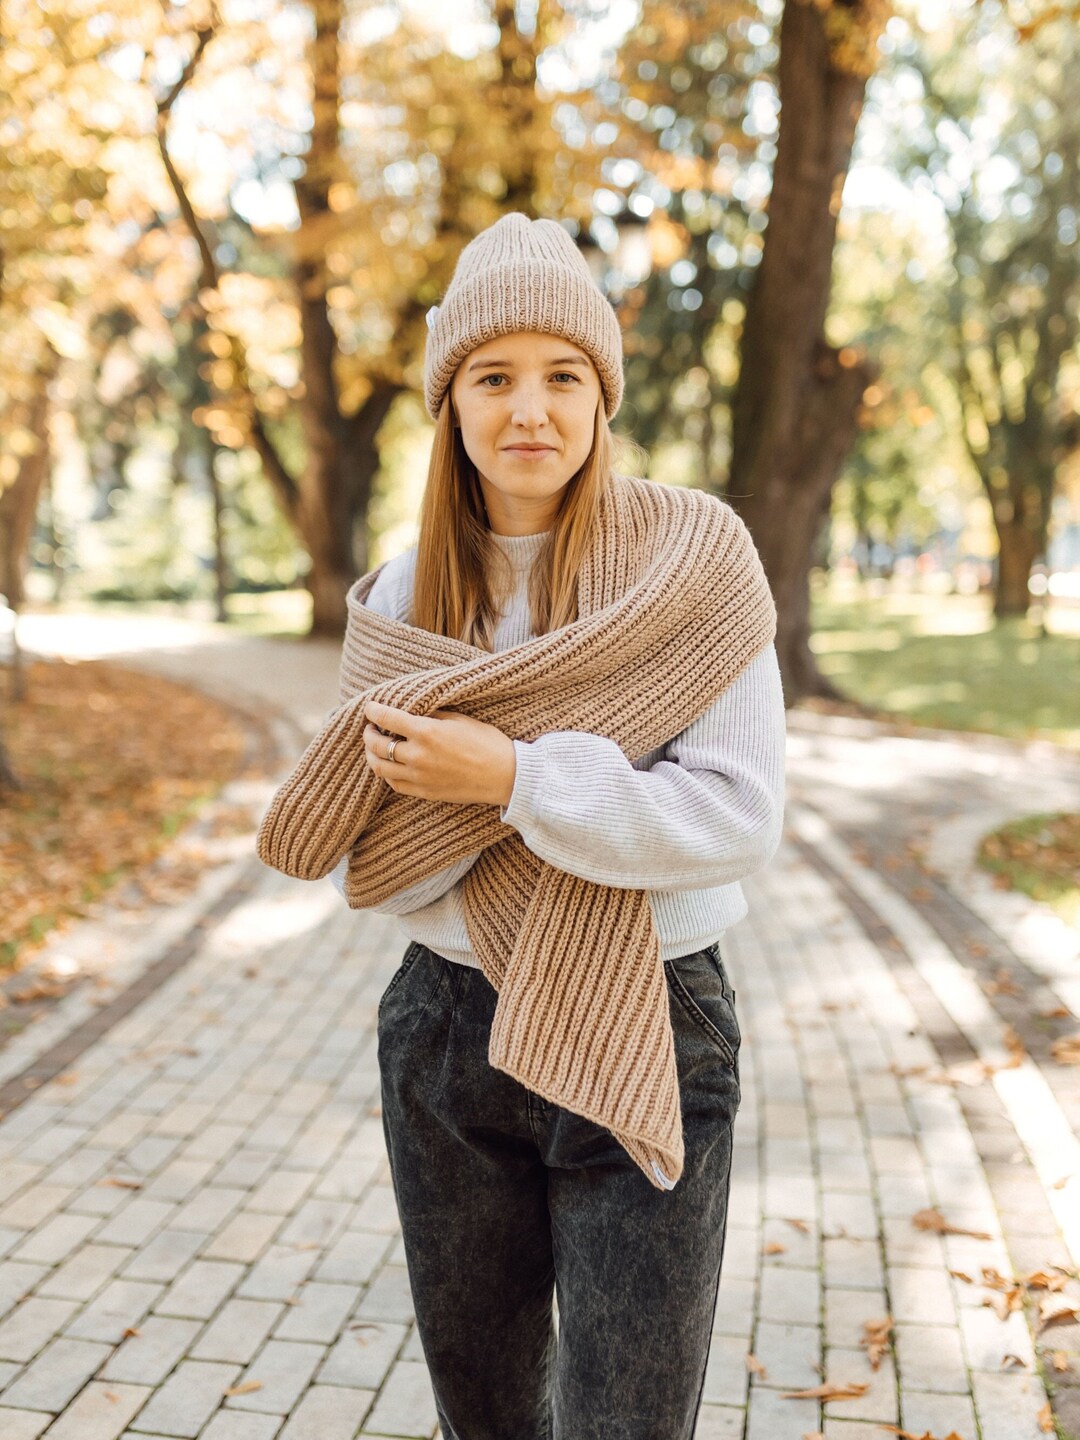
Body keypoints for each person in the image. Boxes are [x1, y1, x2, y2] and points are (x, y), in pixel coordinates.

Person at [259, 212, 786, 1440]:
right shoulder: (402, 595)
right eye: (493, 378)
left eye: (562, 375)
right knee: (484, 1417)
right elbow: (378, 863)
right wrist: (487, 806)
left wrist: (510, 778)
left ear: (603, 395)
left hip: (653, 1009)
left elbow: (737, 817)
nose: (529, 410)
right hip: (445, 1028)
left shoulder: (694, 562)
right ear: (451, 404)